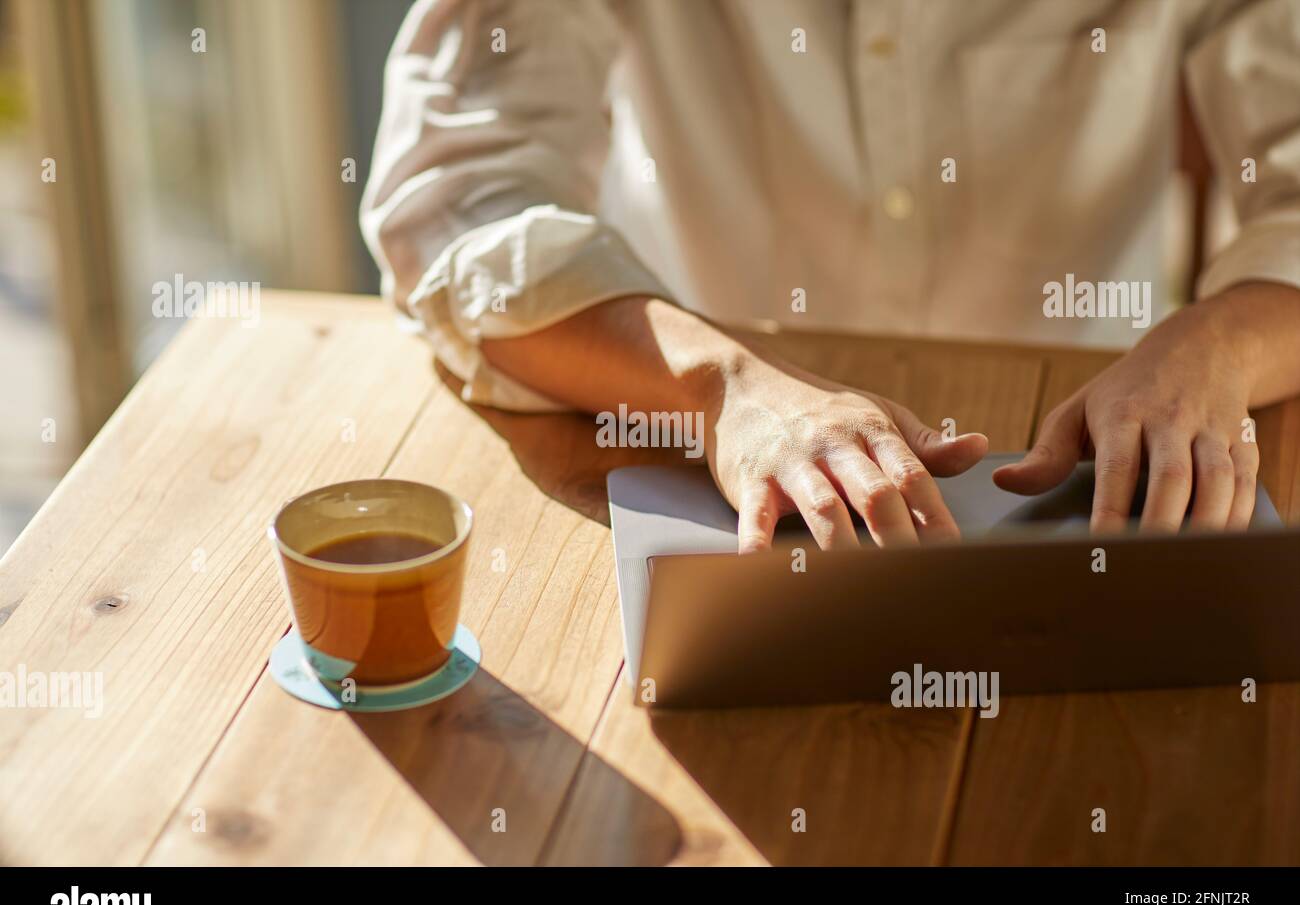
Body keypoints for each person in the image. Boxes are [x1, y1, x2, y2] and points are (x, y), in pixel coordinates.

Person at [361, 0, 1300, 552]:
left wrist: (1214, 344)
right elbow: (457, 203)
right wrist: (721, 383)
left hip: (1088, 468)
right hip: (687, 446)